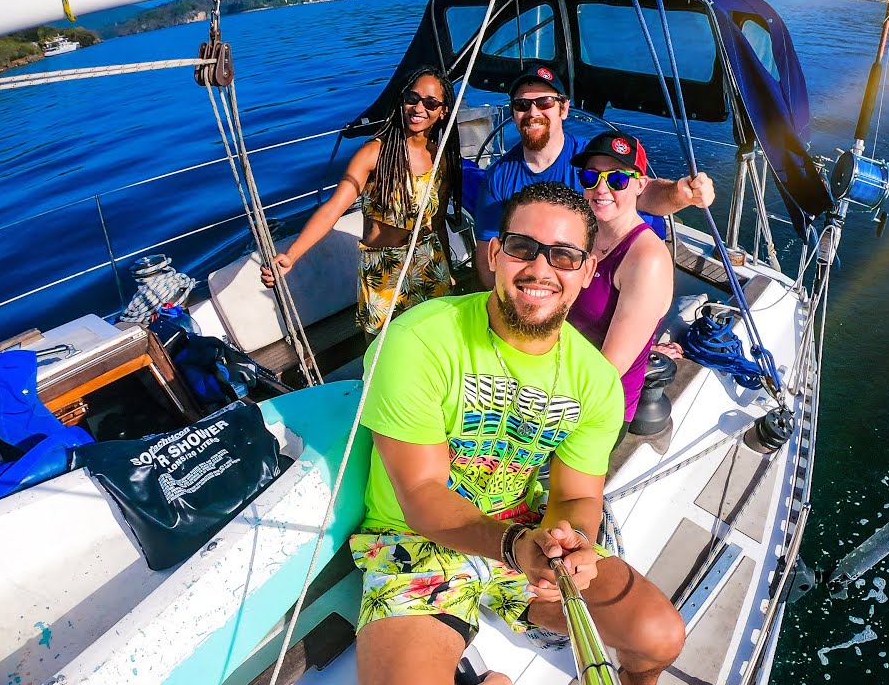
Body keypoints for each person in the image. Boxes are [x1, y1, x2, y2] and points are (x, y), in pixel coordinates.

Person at [351, 182, 685, 685]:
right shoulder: (417, 341)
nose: (540, 269)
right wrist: (513, 546)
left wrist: (573, 547)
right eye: (522, 248)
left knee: (660, 638)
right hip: (419, 538)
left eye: (564, 255)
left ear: (588, 270)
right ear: (495, 253)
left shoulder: (594, 380)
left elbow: (575, 494)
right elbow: (421, 492)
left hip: (530, 532)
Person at [473, 64, 715, 289]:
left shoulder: (593, 159)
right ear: (513, 112)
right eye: (522, 105)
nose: (533, 112)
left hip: (594, 273)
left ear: (564, 108)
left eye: (545, 102)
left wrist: (681, 193)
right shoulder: (498, 177)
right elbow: (487, 261)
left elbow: (644, 193)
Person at [261, 66, 461, 338]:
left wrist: (447, 268)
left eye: (430, 103)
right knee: (381, 354)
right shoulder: (373, 154)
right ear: (401, 101)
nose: (418, 108)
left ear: (443, 111)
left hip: (429, 263)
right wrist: (291, 255)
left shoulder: (441, 159)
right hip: (383, 270)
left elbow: (436, 224)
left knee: (437, 345)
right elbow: (334, 208)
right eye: (412, 99)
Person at [567, 131, 673, 436]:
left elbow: (607, 371)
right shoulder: (583, 232)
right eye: (590, 177)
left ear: (640, 185)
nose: (601, 189)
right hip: (552, 377)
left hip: (595, 410)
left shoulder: (646, 259)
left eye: (617, 180)